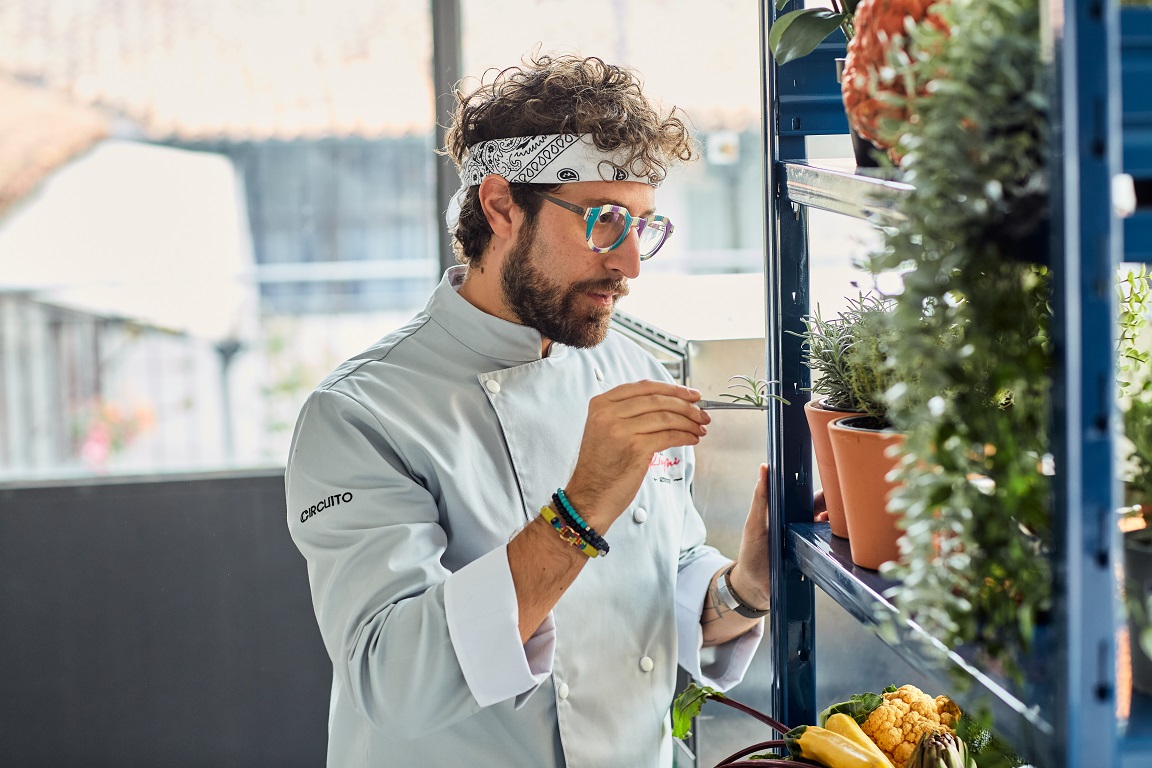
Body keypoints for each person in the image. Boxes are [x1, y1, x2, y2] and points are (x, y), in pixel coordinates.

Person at [285, 54, 774, 767]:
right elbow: (394, 680)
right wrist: (578, 511)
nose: (631, 263)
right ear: (501, 206)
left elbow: (650, 590)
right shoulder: (361, 414)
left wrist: (743, 591)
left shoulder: (629, 370)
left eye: (644, 225)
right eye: (606, 222)